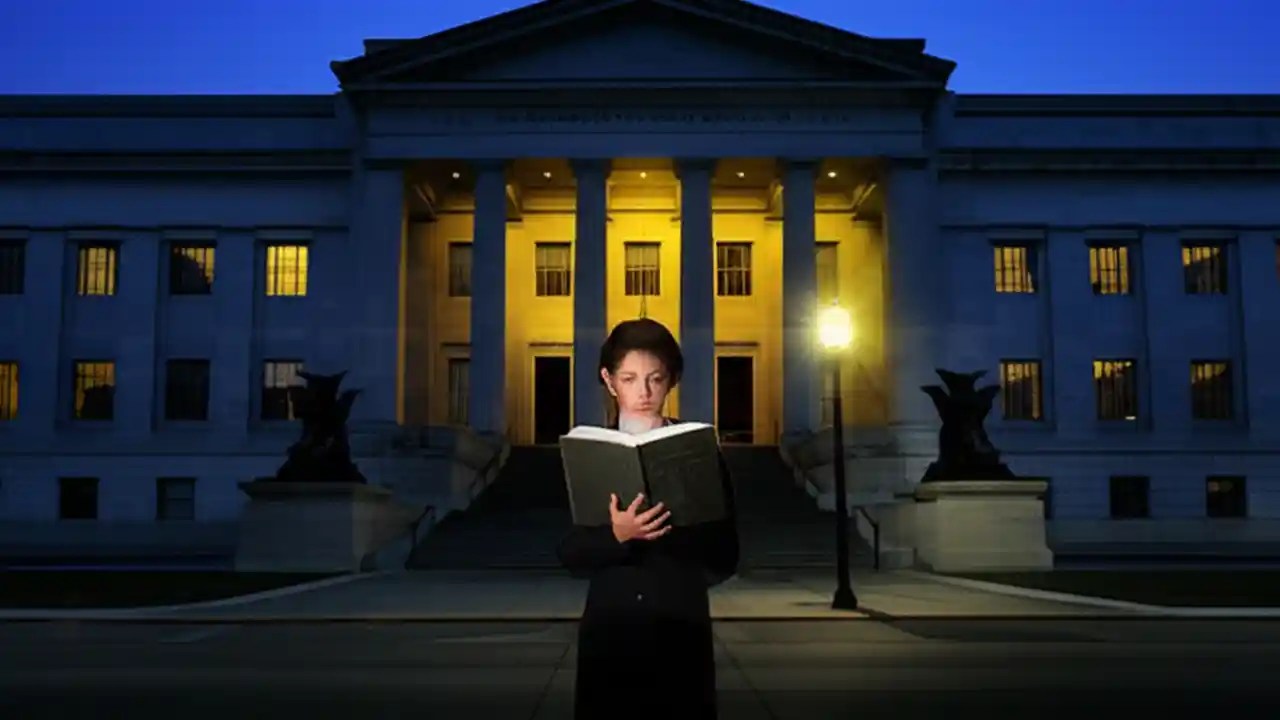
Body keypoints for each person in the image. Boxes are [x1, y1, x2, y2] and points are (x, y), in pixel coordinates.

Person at [556, 318, 740, 720]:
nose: (643, 392)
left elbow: (726, 555)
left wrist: (668, 531)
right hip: (611, 631)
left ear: (672, 380)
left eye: (655, 379)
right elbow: (569, 553)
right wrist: (617, 536)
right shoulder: (586, 453)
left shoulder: (701, 453)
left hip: (679, 629)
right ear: (609, 380)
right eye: (629, 379)